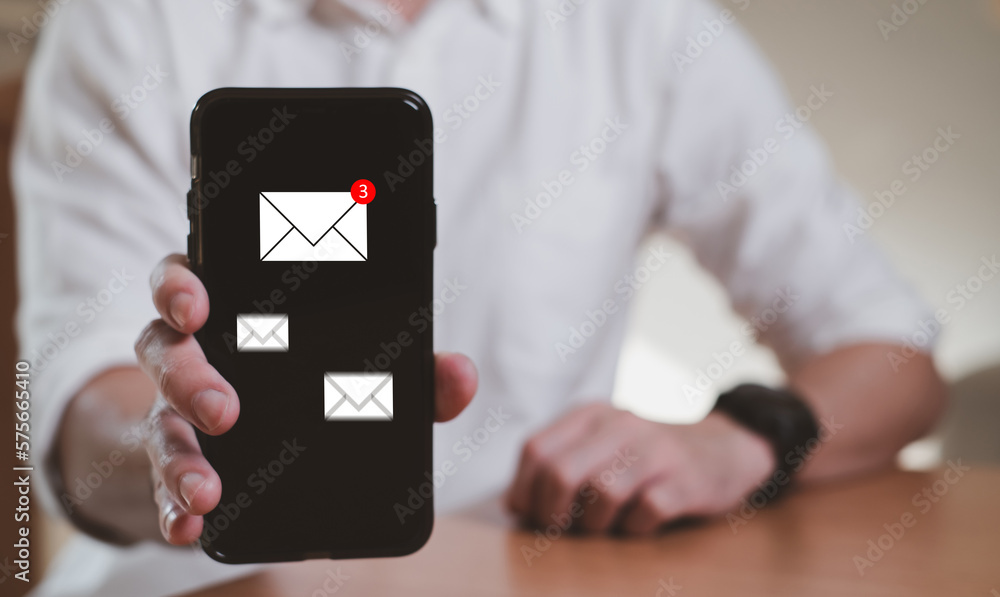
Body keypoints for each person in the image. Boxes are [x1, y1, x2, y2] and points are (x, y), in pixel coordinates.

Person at [14, 0, 947, 594]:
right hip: (186, 581)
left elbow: (891, 350)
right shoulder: (126, 19)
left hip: (519, 573)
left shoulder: (645, 25)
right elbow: (75, 394)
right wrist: (165, 449)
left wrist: (739, 436)